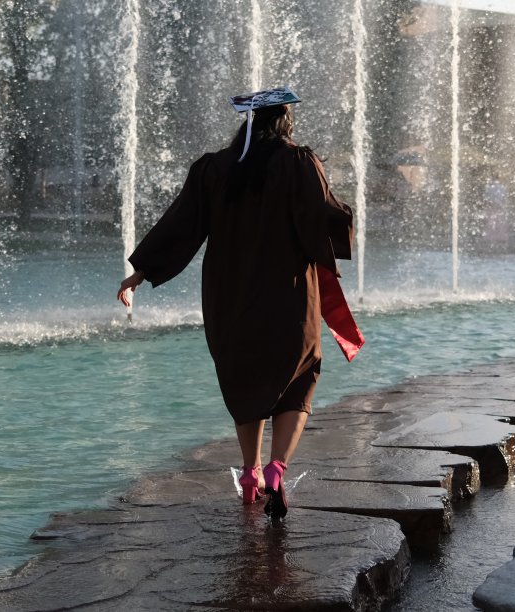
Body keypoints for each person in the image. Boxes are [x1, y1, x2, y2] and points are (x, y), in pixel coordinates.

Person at [116, 87, 357, 519]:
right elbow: (323, 218)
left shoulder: (214, 169)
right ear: (284, 123)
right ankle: (277, 468)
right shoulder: (300, 163)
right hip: (288, 291)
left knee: (246, 378)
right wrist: (344, 214)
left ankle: (250, 475)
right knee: (299, 375)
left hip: (229, 295)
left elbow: (181, 225)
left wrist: (141, 272)